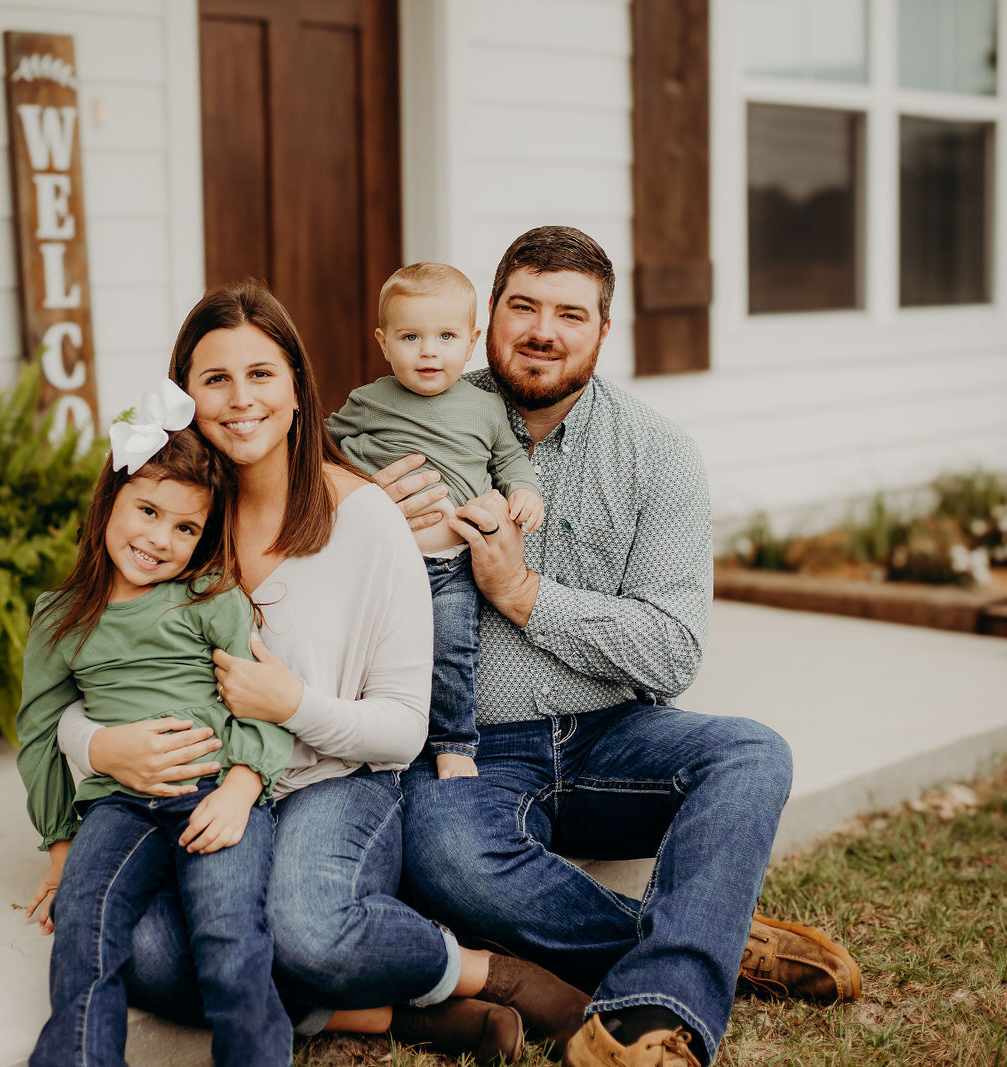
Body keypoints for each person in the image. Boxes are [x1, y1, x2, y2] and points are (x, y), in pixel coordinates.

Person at [32, 279, 591, 1064]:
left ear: (298, 386)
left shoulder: (364, 517)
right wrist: (99, 748)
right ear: (185, 397)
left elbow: (402, 729)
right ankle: (384, 1014)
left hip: (338, 780)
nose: (240, 399)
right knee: (154, 954)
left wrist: (293, 702)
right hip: (207, 790)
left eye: (261, 374)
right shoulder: (173, 515)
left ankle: (484, 972)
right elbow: (81, 669)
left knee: (305, 925)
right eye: (214, 378)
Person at [386, 226, 862, 1067]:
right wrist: (367, 515)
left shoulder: (660, 454)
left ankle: (678, 960)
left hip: (613, 735)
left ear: (604, 332)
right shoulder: (402, 424)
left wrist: (524, 595)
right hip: (474, 748)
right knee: (442, 850)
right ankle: (700, 950)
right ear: (487, 314)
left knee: (753, 752)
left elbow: (674, 650)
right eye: (523, 305)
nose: (543, 330)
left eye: (571, 313)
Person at [17, 406, 294, 1067]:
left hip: (214, 796)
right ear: (112, 496)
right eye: (146, 510)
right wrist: (60, 848)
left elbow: (260, 703)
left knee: (229, 935)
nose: (160, 537)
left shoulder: (211, 598)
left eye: (185, 526)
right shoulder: (61, 618)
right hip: (120, 802)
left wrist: (240, 788)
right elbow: (37, 734)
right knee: (85, 924)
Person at [326, 262, 545, 781]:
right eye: (410, 336)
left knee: (451, 653)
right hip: (380, 564)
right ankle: (370, 747)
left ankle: (452, 744)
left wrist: (525, 491)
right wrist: (356, 483)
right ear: (383, 342)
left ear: (471, 341)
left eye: (446, 336)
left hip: (451, 566)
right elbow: (321, 452)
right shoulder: (368, 402)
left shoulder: (486, 408)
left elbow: (510, 460)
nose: (429, 350)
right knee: (370, 654)